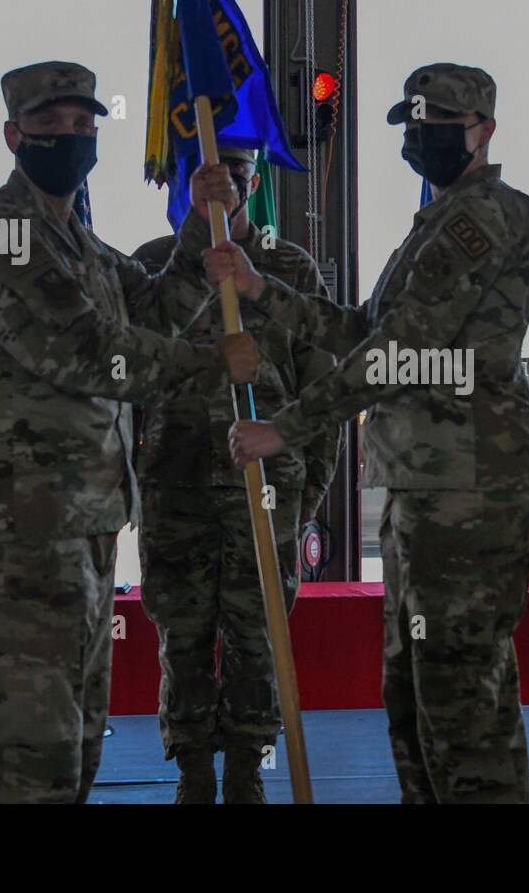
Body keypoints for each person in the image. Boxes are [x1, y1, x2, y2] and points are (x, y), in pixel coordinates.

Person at [207, 63, 529, 802]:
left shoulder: (481, 218)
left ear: (484, 130)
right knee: (414, 694)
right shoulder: (431, 228)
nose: (422, 137)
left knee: (460, 700)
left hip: (468, 486)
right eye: (414, 124)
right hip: (423, 484)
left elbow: (398, 352)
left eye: (440, 125)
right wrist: (262, 290)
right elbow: (365, 329)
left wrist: (285, 429)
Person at [0, 60, 256, 803]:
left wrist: (203, 223)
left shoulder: (74, 239)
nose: (69, 139)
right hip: (18, 533)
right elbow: (89, 354)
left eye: (83, 127)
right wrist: (215, 364)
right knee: (22, 749)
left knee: (72, 747)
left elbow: (150, 307)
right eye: (50, 128)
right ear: (15, 136)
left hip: (80, 526)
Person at [130, 143, 341, 804]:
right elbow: (134, 364)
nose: (229, 178)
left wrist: (310, 491)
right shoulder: (152, 265)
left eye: (242, 168)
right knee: (183, 636)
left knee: (259, 638)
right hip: (177, 481)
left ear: (257, 179)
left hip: (269, 485)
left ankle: (247, 768)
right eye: (212, 167)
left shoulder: (289, 267)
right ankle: (192, 771)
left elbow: (323, 389)